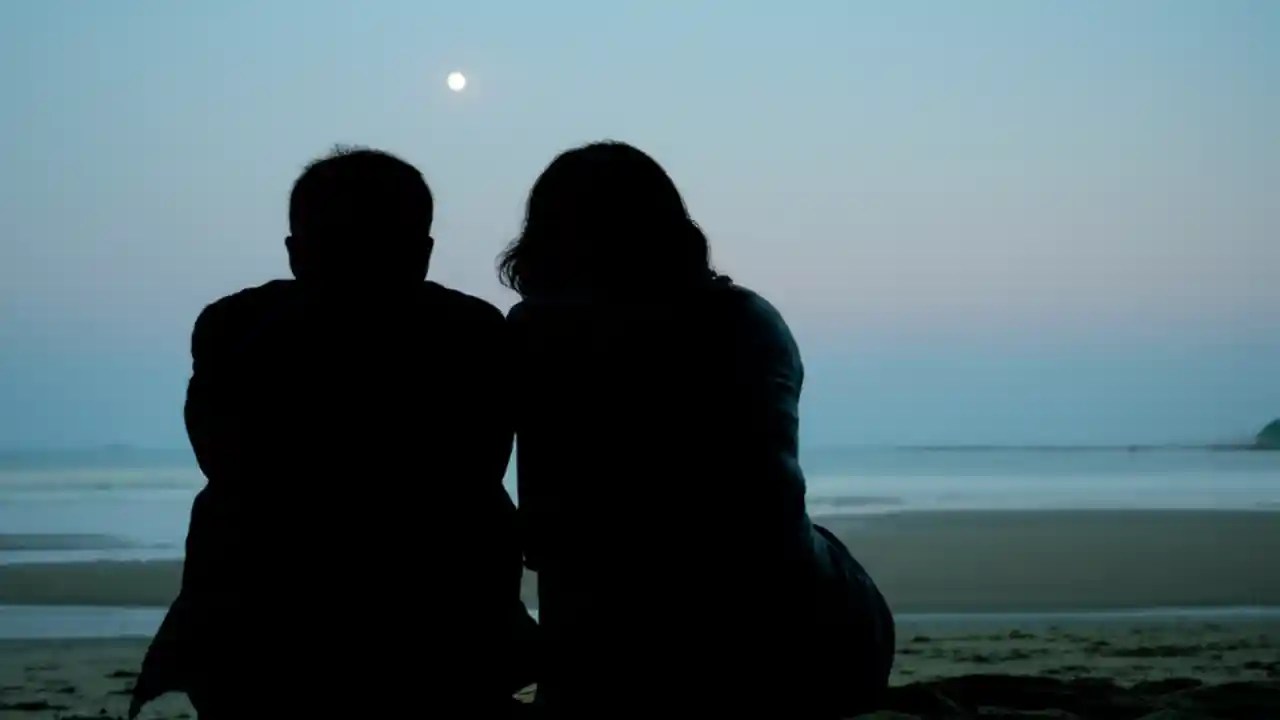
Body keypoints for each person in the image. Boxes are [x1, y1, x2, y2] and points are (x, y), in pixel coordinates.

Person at [132, 147, 536, 718]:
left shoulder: (235, 326)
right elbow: (480, 463)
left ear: (296, 252)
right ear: (422, 253)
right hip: (441, 620)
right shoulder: (469, 331)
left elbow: (220, 455)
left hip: (259, 621)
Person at [501, 141, 894, 718]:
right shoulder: (749, 317)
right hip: (818, 640)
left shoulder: (542, 334)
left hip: (646, 649)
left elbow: (553, 535)